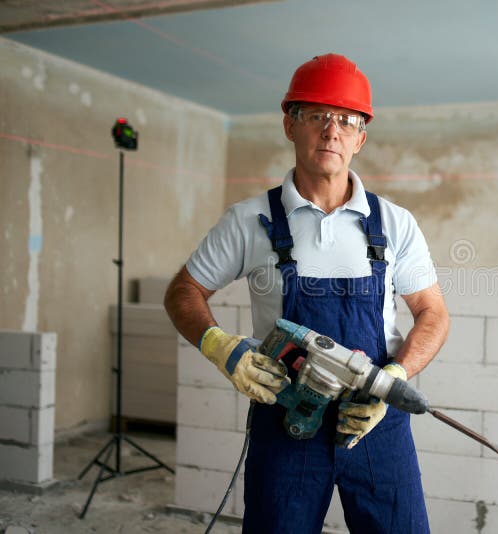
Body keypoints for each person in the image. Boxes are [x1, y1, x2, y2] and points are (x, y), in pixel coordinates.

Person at [164, 53, 449, 533]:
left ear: (361, 137)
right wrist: (221, 348)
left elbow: (433, 313)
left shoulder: (395, 224)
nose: (331, 131)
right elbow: (183, 292)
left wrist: (393, 378)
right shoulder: (248, 221)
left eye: (346, 120)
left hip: (373, 424)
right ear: (290, 125)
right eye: (317, 115)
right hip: (286, 422)